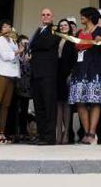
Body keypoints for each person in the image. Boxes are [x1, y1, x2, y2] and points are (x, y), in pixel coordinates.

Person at [68, 7, 101, 144]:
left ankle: (92, 133)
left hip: (96, 70)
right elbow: (74, 52)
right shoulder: (79, 32)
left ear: (90, 17)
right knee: (80, 102)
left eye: (83, 15)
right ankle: (86, 132)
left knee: (95, 101)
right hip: (79, 71)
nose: (81, 17)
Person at [29, 8, 59, 145]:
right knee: (39, 106)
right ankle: (41, 135)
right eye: (43, 15)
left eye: (48, 14)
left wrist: (33, 46)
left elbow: (46, 44)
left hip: (48, 74)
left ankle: (49, 137)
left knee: (49, 106)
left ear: (52, 17)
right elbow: (33, 45)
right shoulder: (38, 30)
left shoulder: (54, 29)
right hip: (36, 73)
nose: (45, 16)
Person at [0, 20, 21, 144]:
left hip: (12, 74)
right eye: (4, 27)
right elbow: (5, 56)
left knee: (6, 105)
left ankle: (2, 131)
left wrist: (20, 50)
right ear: (0, 29)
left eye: (9, 26)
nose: (7, 29)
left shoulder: (13, 41)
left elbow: (17, 57)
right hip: (0, 73)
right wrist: (18, 51)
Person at [55, 19, 77, 143]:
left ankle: (66, 134)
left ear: (69, 27)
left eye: (65, 25)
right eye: (61, 25)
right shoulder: (56, 39)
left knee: (67, 105)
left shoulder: (72, 40)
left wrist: (72, 73)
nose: (63, 27)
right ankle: (58, 133)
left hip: (68, 74)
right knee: (58, 104)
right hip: (57, 74)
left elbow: (75, 59)